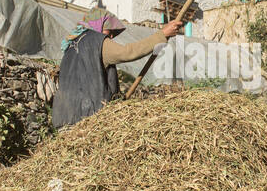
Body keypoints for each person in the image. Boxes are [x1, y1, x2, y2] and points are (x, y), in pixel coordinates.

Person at [51, 9, 184, 129]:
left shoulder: (69, 47)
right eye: (109, 30)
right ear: (99, 25)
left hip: (63, 118)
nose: (111, 36)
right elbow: (127, 52)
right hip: (87, 118)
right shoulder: (95, 40)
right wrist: (162, 34)